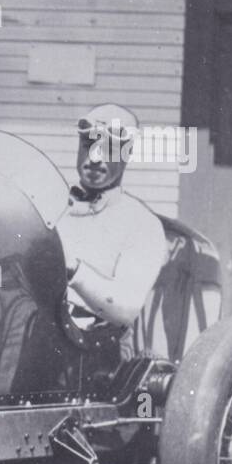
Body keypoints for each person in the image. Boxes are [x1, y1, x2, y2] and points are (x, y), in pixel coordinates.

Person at [56, 104, 168, 330]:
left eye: (109, 149)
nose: (96, 158)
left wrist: (74, 269)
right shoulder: (50, 204)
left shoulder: (143, 224)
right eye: (88, 145)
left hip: (91, 347)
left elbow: (128, 309)